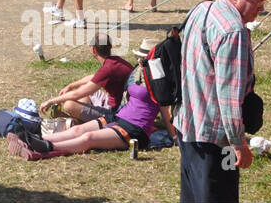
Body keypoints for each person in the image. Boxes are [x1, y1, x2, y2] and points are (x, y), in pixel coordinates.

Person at [176, 0, 266, 203]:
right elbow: (229, 97)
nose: (262, 7)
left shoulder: (202, 9)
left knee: (193, 196)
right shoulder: (233, 31)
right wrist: (238, 144)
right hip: (216, 138)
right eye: (257, 0)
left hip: (188, 123)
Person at [10, 59, 173, 161]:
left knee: (89, 138)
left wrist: (173, 136)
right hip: (118, 117)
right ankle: (34, 139)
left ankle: (45, 146)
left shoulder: (161, 83)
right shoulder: (138, 73)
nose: (140, 59)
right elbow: (96, 77)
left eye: (145, 56)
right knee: (78, 129)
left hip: (134, 129)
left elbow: (166, 113)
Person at [38, 34, 133, 121]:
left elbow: (77, 94)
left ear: (93, 50)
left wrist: (50, 101)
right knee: (83, 88)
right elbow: (94, 78)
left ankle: (74, 120)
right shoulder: (114, 61)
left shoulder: (108, 68)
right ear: (110, 47)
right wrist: (71, 85)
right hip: (122, 103)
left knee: (69, 105)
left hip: (115, 113)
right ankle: (82, 117)